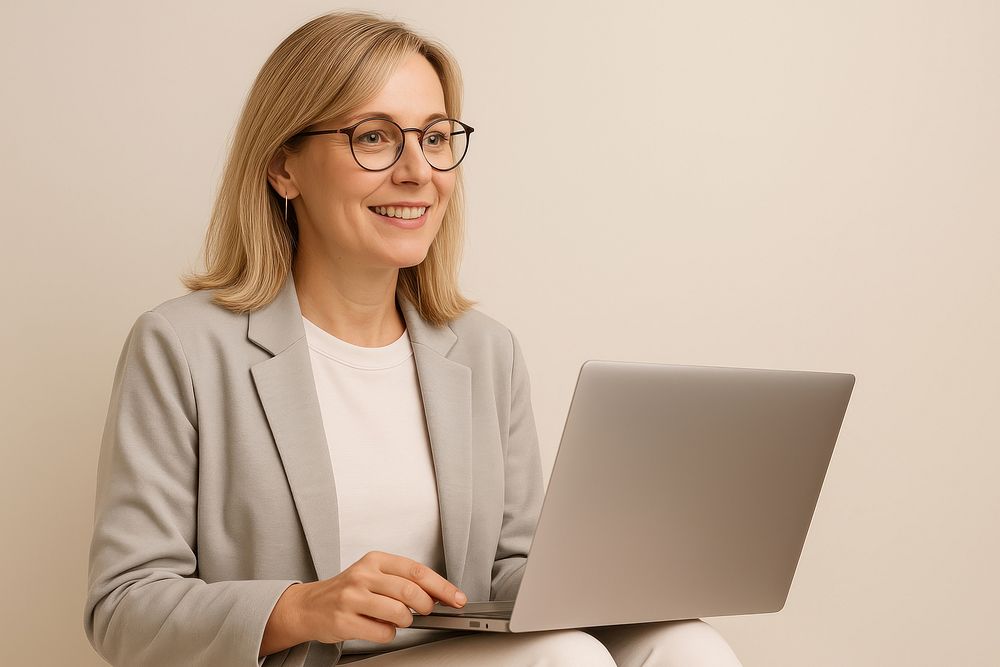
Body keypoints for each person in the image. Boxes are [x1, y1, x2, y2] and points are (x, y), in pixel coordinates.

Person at [83, 10, 743, 667]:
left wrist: (609, 580)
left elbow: (508, 571)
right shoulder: (183, 346)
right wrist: (301, 606)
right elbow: (123, 606)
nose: (417, 171)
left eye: (434, 137)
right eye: (374, 137)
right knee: (565, 660)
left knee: (691, 643)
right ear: (284, 167)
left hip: (465, 653)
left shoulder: (486, 352)